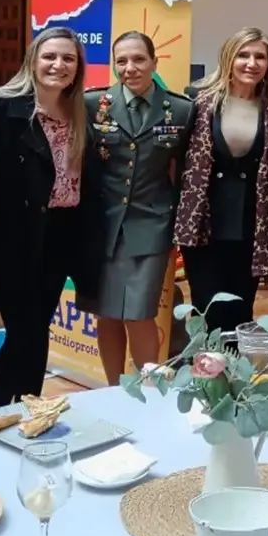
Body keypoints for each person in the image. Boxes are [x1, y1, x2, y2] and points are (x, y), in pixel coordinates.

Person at [0, 27, 90, 409]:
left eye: (68, 58)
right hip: (17, 237)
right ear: (33, 61)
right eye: (50, 57)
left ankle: (29, 410)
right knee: (23, 332)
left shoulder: (81, 112)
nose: (58, 65)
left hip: (61, 235)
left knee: (37, 328)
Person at [78, 31, 194, 382]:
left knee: (139, 313)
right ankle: (113, 390)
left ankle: (145, 390)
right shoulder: (92, 104)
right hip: (101, 226)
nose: (130, 68)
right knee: (107, 314)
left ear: (154, 62)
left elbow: (185, 171)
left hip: (151, 225)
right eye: (122, 61)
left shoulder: (181, 109)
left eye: (139, 59)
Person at [175, 26, 268, 332]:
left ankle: (236, 364)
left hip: (252, 224)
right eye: (243, 55)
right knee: (207, 307)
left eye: (260, 56)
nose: (251, 63)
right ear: (228, 58)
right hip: (205, 223)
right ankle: (205, 362)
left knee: (240, 308)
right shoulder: (197, 101)